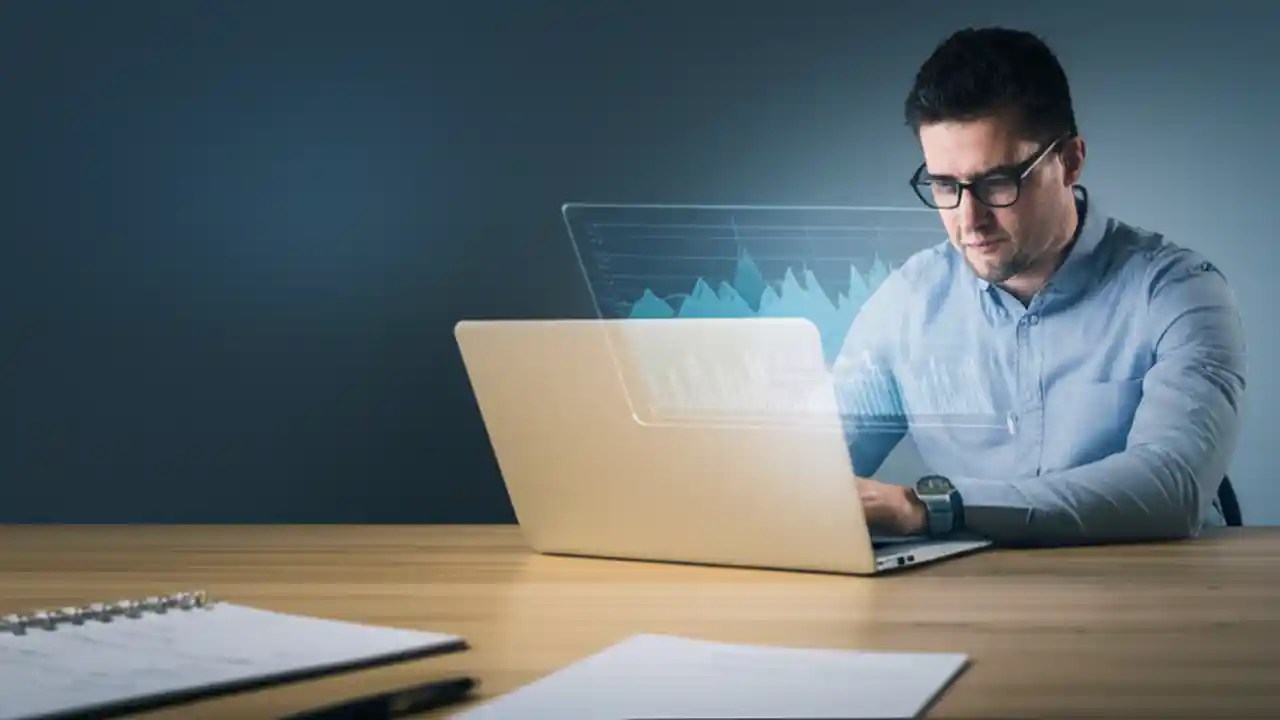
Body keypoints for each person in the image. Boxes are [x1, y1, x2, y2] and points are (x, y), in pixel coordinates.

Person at [833, 27, 1246, 546]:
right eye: (944, 186)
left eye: (997, 183)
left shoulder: (1179, 294)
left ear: (1070, 161)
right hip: (966, 606)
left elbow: (1171, 487)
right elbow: (813, 472)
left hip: (1146, 604)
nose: (969, 220)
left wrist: (934, 508)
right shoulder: (907, 304)